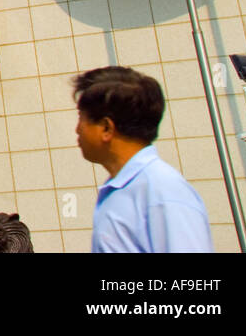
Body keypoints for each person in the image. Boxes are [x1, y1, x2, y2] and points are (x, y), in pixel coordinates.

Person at [73, 66, 212, 252]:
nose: (77, 129)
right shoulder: (122, 187)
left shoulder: (163, 192)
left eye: (81, 118)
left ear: (106, 128)